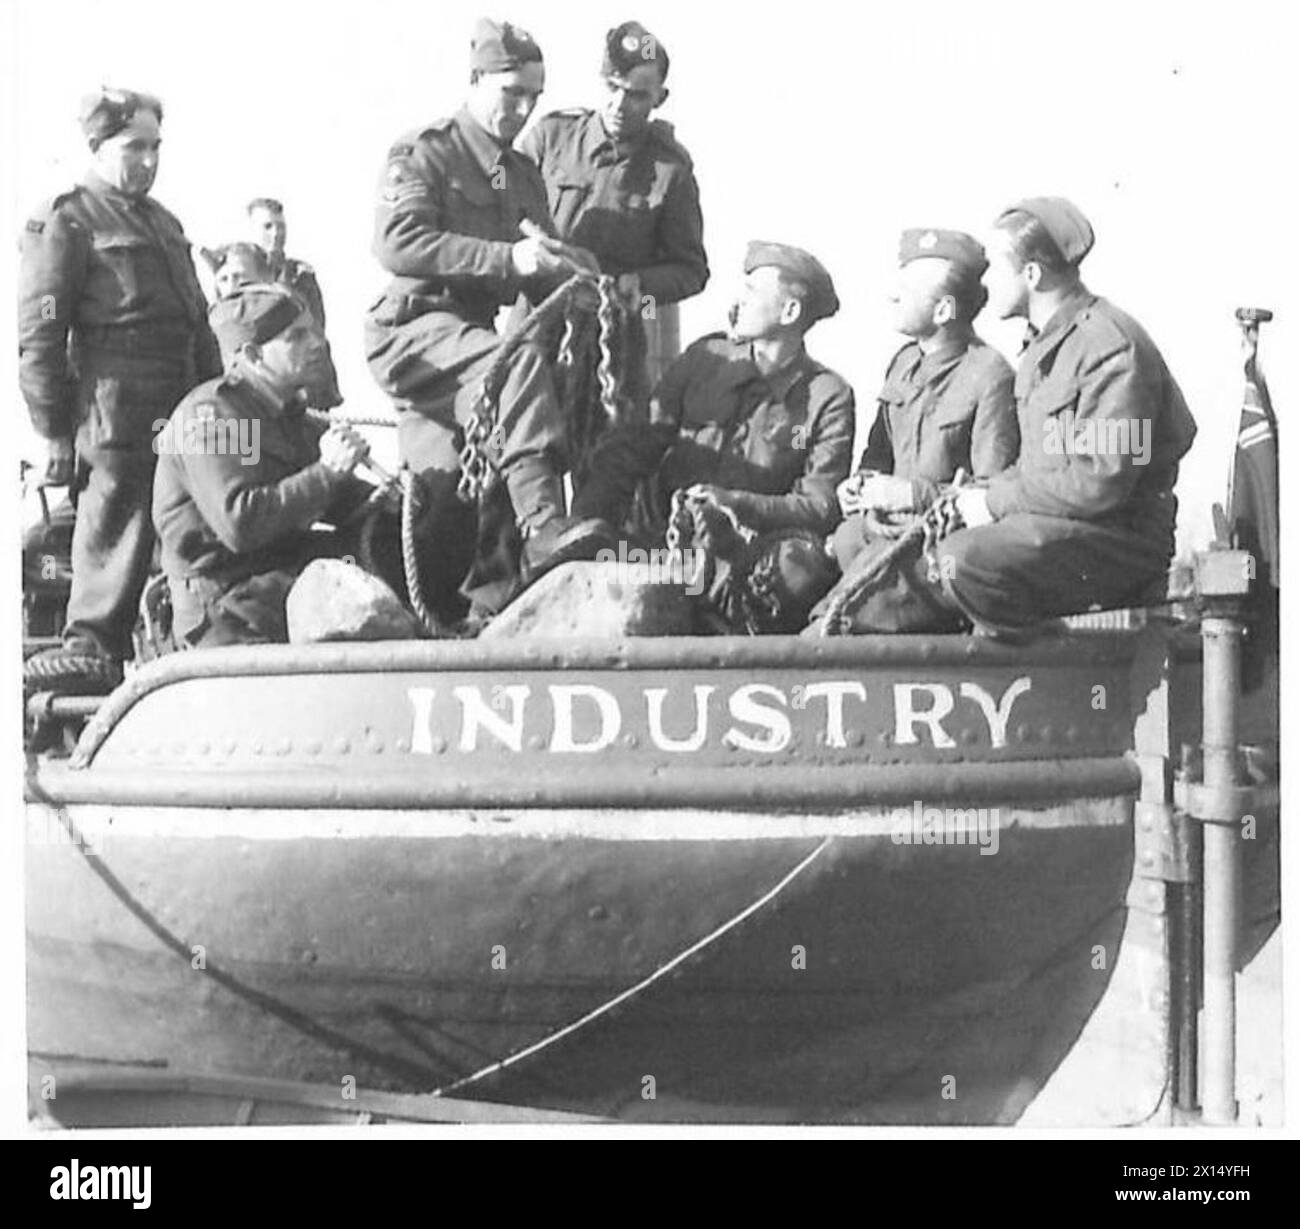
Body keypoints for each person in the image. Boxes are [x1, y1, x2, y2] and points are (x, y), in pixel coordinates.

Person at [828, 197, 1198, 636]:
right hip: (1060, 527)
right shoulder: (1044, 348)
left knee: (961, 561)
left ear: (1032, 275)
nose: (985, 284)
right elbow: (1037, 468)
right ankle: (824, 640)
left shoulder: (1112, 348)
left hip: (1117, 541)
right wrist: (962, 500)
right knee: (908, 552)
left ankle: (1030, 671)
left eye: (996, 269)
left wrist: (990, 502)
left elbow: (1100, 483)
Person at [364, 17, 615, 618]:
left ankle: (482, 613)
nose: (523, 108)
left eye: (533, 96)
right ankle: (546, 526)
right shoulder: (426, 151)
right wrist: (509, 258)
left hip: (468, 347)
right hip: (413, 331)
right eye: (511, 92)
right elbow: (397, 241)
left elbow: (541, 254)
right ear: (476, 80)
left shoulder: (522, 174)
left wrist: (573, 280)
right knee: (515, 371)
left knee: (447, 496)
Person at [20, 87, 222, 691]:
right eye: (135, 147)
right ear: (98, 146)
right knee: (112, 545)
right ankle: (84, 668)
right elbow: (40, 329)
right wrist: (55, 429)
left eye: (156, 147)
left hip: (182, 411)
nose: (150, 161)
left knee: (192, 539)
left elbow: (198, 325)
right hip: (115, 420)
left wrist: (224, 404)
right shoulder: (69, 220)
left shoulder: (165, 224)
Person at [573, 241, 854, 627]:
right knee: (594, 562)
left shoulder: (827, 396)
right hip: (664, 550)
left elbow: (820, 506)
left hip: (751, 561)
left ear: (790, 311)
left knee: (801, 570)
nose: (738, 300)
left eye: (753, 290)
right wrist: (588, 522)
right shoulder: (703, 360)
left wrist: (736, 504)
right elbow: (633, 448)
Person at [152, 284, 372, 647]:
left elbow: (343, 501)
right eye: (296, 337)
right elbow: (242, 523)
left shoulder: (287, 416)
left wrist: (404, 497)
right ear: (253, 355)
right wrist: (328, 471)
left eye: (314, 331)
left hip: (277, 585)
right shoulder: (213, 415)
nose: (318, 344)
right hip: (227, 607)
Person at [519, 20, 708, 413]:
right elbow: (502, 198)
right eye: (613, 88)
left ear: (660, 97)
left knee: (608, 460)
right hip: (535, 327)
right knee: (518, 446)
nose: (620, 105)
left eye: (637, 96)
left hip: (612, 345)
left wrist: (638, 285)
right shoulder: (550, 137)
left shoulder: (670, 170)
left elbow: (691, 270)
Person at [830, 228, 1017, 572]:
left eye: (906, 291)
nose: (892, 297)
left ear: (944, 310)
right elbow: (878, 455)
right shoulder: (903, 363)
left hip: (939, 539)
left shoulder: (990, 374)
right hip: (881, 529)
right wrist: (860, 485)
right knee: (846, 540)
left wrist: (909, 495)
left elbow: (991, 492)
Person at [247, 197, 326, 327]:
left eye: (281, 227)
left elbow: (317, 329)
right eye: (268, 226)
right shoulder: (235, 277)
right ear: (251, 230)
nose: (276, 234)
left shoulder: (301, 275)